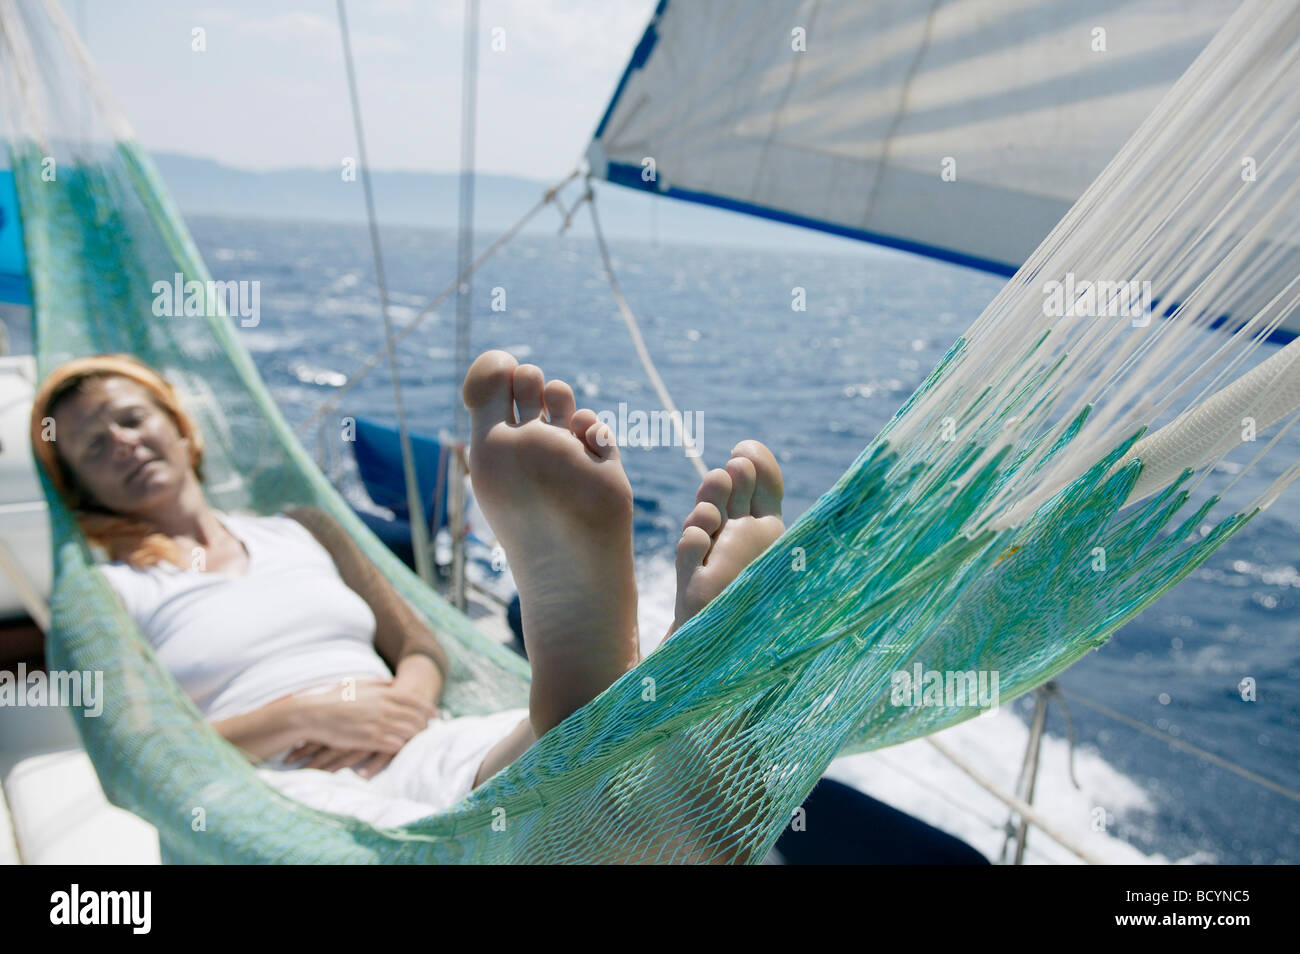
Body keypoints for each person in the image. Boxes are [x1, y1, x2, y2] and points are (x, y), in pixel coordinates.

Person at [28, 351, 786, 827]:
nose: (122, 443)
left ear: (180, 428)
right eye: (94, 445)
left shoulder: (301, 526)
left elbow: (420, 645)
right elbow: (138, 752)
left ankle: (586, 695)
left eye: (132, 419)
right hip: (260, 778)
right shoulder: (105, 590)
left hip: (405, 731)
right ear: (77, 484)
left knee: (501, 772)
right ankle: (607, 696)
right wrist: (300, 714)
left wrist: (400, 702)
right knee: (474, 821)